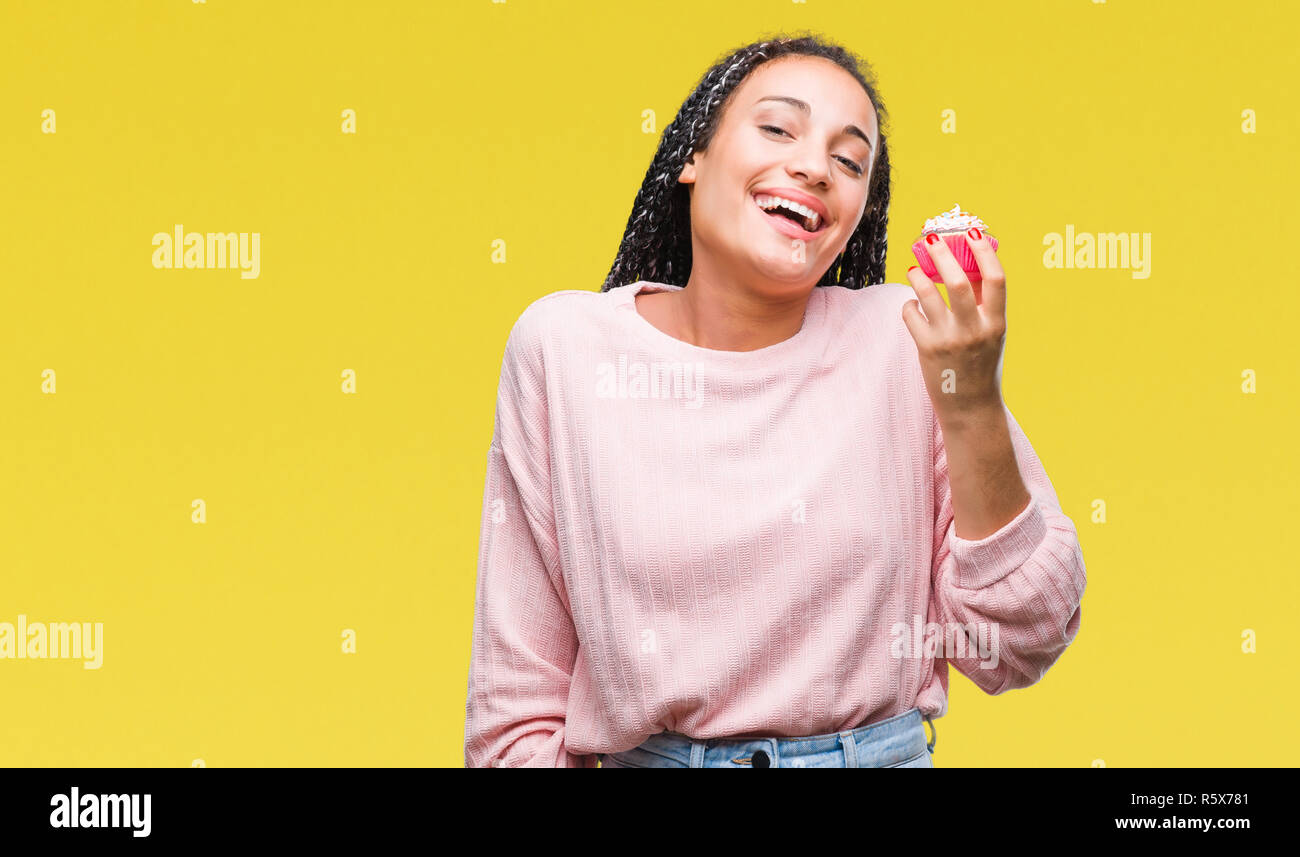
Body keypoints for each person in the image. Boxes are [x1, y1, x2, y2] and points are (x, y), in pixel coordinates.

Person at [463, 32, 1086, 768]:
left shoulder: (903, 343)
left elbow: (1017, 640)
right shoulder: (563, 350)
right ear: (692, 156)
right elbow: (516, 716)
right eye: (777, 128)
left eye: (849, 160)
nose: (815, 167)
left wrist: (972, 395)